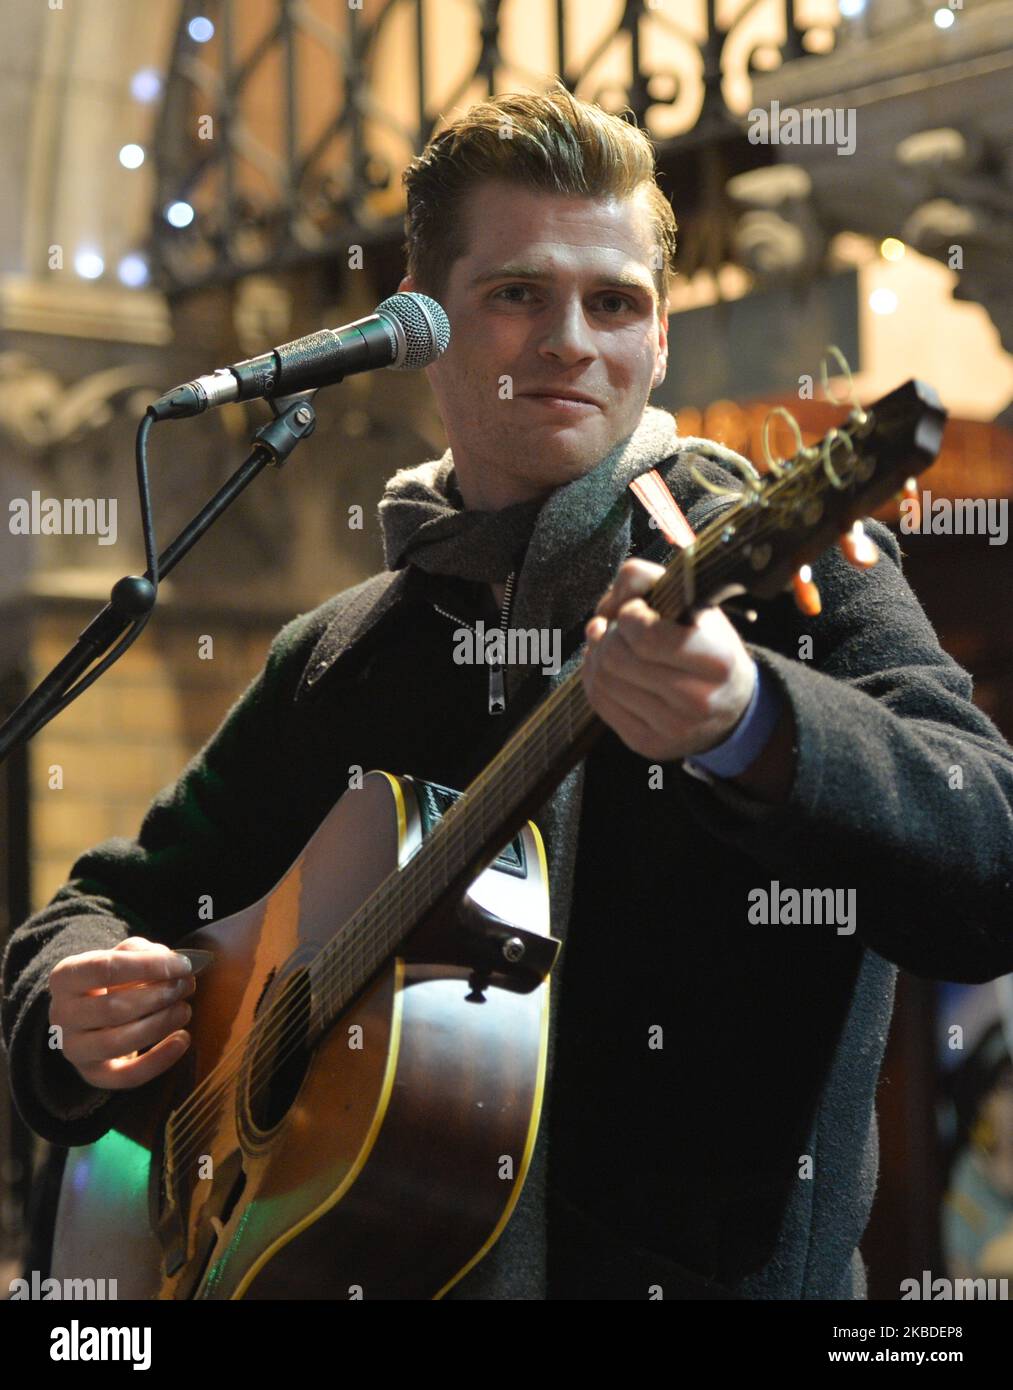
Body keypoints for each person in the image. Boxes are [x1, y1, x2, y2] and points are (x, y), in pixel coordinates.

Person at [3, 83, 1013, 1301]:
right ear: (420, 324)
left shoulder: (772, 574)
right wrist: (72, 1007)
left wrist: (754, 725)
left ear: (659, 342)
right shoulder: (343, 654)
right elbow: (108, 899)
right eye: (518, 293)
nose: (570, 340)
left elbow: (988, 859)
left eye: (615, 303)